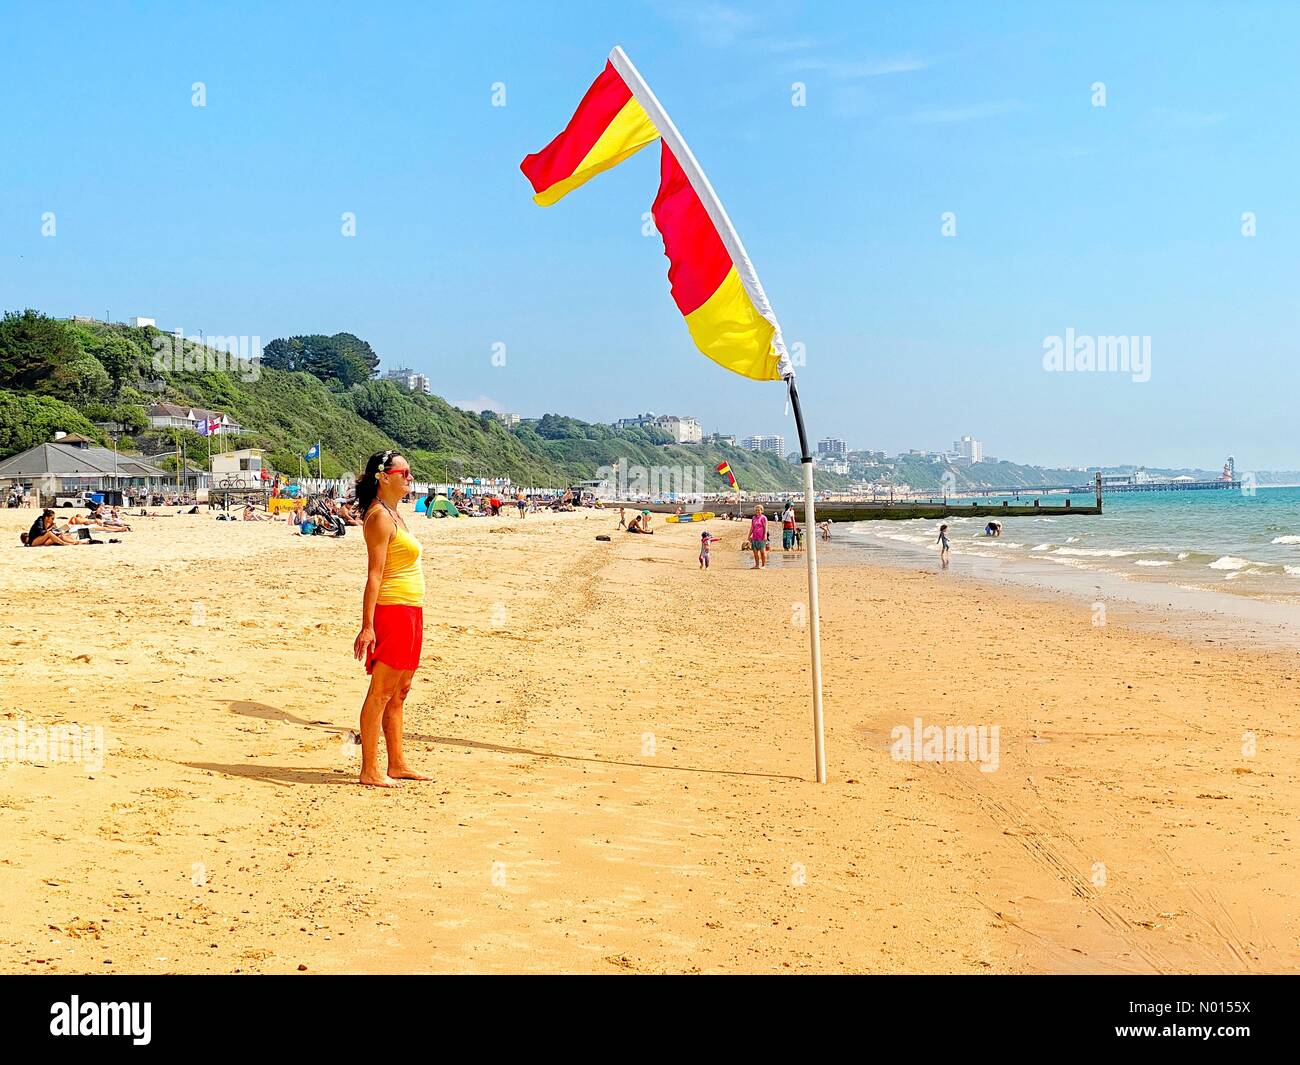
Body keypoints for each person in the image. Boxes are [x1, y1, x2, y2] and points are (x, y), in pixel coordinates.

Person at [352, 450, 429, 788]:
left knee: (400, 691)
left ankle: (397, 763)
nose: (409, 478)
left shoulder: (396, 514)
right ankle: (370, 769)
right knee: (381, 691)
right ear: (384, 476)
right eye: (405, 472)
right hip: (393, 610)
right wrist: (367, 626)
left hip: (411, 609)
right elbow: (374, 575)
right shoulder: (379, 517)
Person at [749, 505, 768, 569]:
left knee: (762, 551)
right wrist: (749, 535)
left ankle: (763, 565)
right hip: (754, 537)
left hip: (761, 537)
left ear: (762, 511)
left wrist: (765, 535)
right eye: (756, 510)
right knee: (755, 552)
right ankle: (757, 565)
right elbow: (752, 527)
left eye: (759, 510)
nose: (757, 511)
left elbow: (765, 527)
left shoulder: (763, 518)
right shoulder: (753, 518)